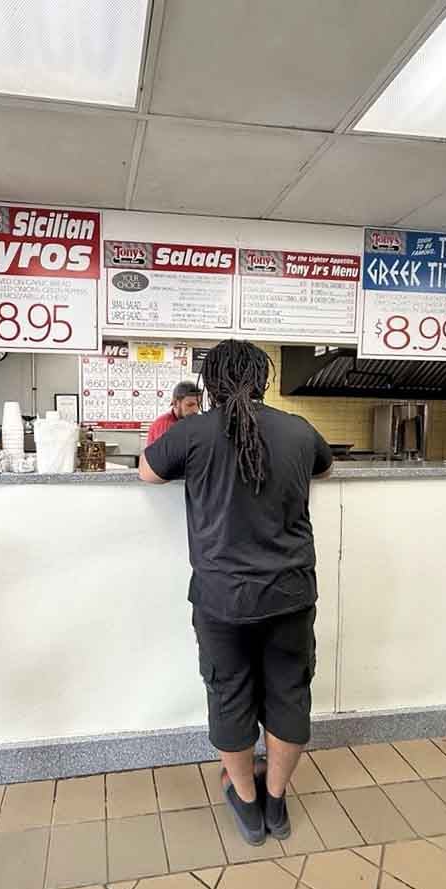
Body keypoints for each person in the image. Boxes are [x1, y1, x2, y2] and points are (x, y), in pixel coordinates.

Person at [139, 340, 332, 846]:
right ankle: (277, 799)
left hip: (222, 596)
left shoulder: (194, 431)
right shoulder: (297, 429)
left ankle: (247, 805)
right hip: (290, 591)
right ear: (263, 379)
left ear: (211, 383)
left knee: (229, 693)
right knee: (290, 692)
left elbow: (146, 470)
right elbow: (326, 467)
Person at [145, 381, 200, 446]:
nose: (196, 410)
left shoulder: (189, 421)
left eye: (199, 404)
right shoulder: (164, 425)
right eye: (190, 405)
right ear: (175, 403)